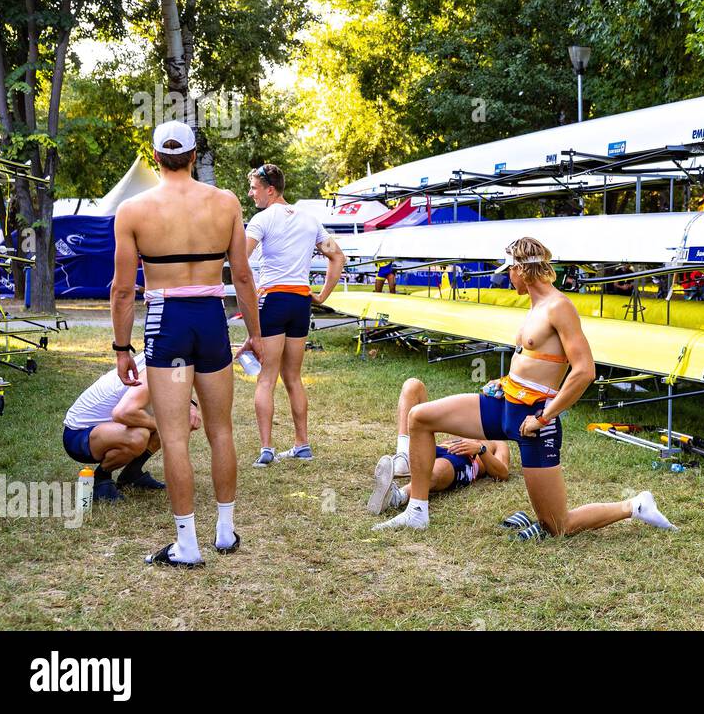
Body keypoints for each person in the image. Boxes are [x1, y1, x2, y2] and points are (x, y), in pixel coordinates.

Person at [373, 237, 676, 539]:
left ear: (521, 269)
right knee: (420, 417)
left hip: (534, 420)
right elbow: (533, 362)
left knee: (557, 526)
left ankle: (634, 505)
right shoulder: (534, 307)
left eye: (509, 270)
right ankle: (416, 510)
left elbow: (584, 371)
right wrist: (504, 381)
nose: (507, 277)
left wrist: (543, 417)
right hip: (506, 404)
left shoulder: (559, 307)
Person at [111, 120, 262, 568]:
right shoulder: (226, 202)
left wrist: (122, 349)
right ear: (194, 156)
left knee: (175, 437)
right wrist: (253, 333)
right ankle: (225, 531)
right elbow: (243, 274)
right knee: (221, 431)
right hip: (212, 321)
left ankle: (187, 544)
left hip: (168, 322)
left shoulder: (134, 210)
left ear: (156, 157)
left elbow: (122, 290)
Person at [241, 164, 347, 467]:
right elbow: (337, 256)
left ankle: (266, 449)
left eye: (254, 188)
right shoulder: (309, 219)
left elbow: (240, 261)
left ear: (270, 190)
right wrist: (323, 295)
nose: (251, 194)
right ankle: (302, 444)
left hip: (273, 300)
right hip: (300, 302)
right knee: (293, 378)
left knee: (266, 377)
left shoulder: (261, 220)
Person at [366, 377, 511, 514]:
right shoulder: (470, 416)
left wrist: (481, 449)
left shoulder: (497, 441)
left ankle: (397, 497)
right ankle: (403, 457)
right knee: (413, 385)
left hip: (465, 460)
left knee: (438, 469)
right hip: (440, 448)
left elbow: (503, 473)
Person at [63, 362, 196, 501]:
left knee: (174, 419)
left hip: (109, 428)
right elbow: (123, 413)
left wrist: (190, 406)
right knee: (139, 436)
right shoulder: (157, 365)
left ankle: (132, 473)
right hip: (78, 436)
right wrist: (166, 425)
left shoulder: (171, 359)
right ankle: (101, 479)